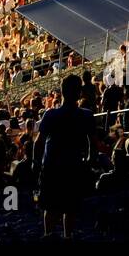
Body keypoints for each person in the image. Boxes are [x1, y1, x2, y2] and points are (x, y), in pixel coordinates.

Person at [35, 74, 94, 238]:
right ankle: (68, 236)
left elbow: (38, 143)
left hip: (51, 166)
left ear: (61, 92)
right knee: (70, 207)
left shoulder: (50, 115)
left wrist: (35, 163)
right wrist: (90, 160)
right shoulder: (86, 115)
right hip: (73, 165)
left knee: (50, 206)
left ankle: (49, 234)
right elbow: (92, 143)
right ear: (79, 92)